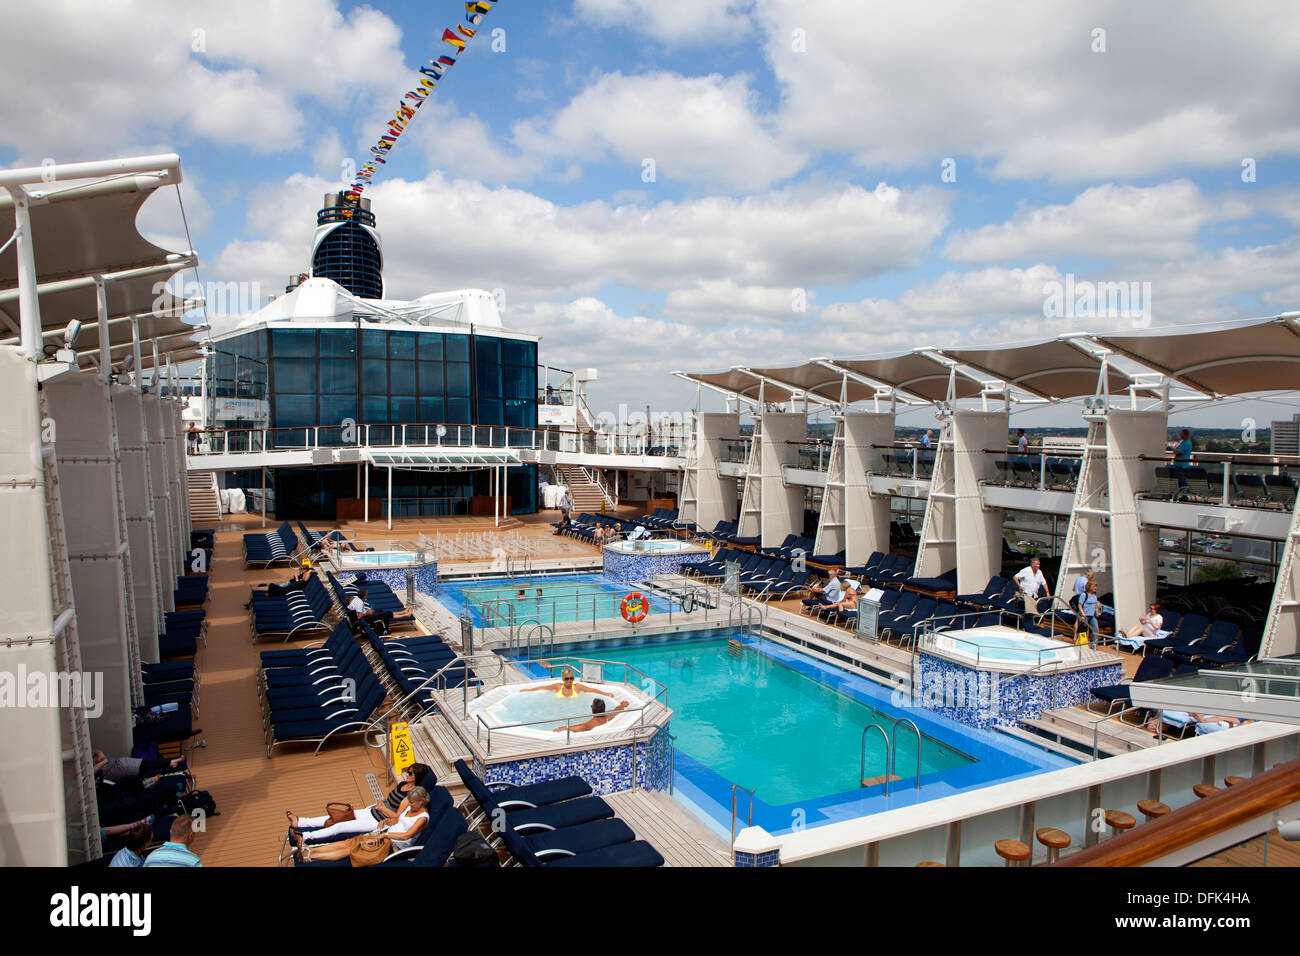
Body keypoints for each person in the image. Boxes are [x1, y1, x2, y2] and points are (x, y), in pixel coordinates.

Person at [286, 763, 432, 844]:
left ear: (416, 778)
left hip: (377, 821)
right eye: (407, 771)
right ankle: (300, 822)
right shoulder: (402, 785)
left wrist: (382, 809)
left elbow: (397, 818)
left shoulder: (410, 797)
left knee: (340, 826)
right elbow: (389, 799)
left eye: (410, 773)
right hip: (371, 811)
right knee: (341, 815)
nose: (407, 774)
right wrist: (382, 802)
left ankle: (305, 837)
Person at [292, 787, 432, 862]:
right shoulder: (410, 808)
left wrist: (386, 834)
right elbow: (398, 821)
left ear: (421, 801)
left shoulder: (423, 818)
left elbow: (407, 835)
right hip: (383, 835)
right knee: (348, 842)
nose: (410, 804)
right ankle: (309, 850)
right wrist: (386, 822)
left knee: (352, 850)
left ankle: (311, 856)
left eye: (413, 802)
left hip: (393, 845)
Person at [521, 667, 614, 700]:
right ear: (563, 679)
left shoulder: (577, 687)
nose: (569, 680)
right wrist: (529, 690)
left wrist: (606, 694)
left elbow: (592, 690)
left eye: (571, 678)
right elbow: (543, 687)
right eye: (567, 679)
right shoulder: (557, 686)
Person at [244, 562, 313, 607]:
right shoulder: (302, 579)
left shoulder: (302, 582)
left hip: (285, 591)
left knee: (272, 586)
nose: (302, 572)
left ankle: (261, 591)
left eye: (304, 571)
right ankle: (255, 593)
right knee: (271, 586)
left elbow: (307, 575)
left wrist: (308, 572)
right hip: (285, 589)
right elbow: (309, 572)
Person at [347, 588, 415, 631]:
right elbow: (360, 616)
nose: (366, 596)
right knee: (386, 614)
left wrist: (367, 609)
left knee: (381, 611)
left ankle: (404, 612)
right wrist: (368, 612)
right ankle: (406, 615)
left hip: (365, 614)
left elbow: (356, 609)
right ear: (364, 596)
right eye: (366, 595)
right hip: (367, 618)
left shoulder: (356, 599)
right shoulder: (360, 603)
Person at [553, 697, 630, 733]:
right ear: (604, 709)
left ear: (593, 710)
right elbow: (619, 708)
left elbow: (582, 727)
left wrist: (565, 728)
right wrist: (623, 704)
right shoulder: (610, 715)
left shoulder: (592, 723)